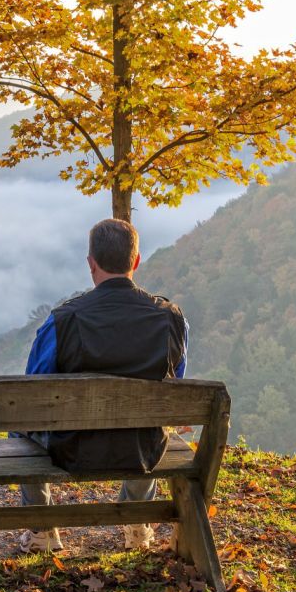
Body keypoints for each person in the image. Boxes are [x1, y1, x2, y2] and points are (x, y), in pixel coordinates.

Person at [15, 218, 189, 554]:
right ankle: (138, 525)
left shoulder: (63, 321)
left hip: (71, 448)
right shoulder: (171, 319)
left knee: (21, 425)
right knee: (151, 419)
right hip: (141, 447)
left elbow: (32, 395)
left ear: (91, 264)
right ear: (136, 261)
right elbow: (175, 387)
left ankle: (42, 531)